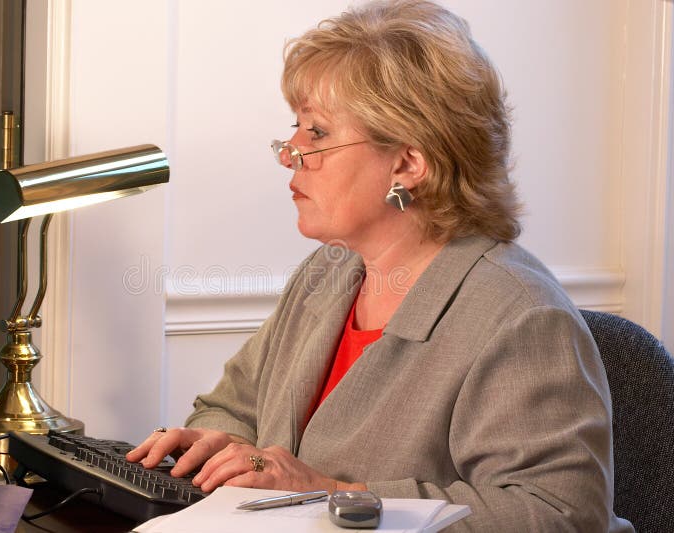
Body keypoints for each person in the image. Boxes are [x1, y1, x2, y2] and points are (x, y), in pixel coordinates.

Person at [127, 1, 634, 530]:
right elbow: (229, 409)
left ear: (408, 164)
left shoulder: (521, 316)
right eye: (295, 128)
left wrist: (335, 493)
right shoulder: (327, 273)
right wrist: (223, 447)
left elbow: (560, 515)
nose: (288, 153)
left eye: (317, 133)